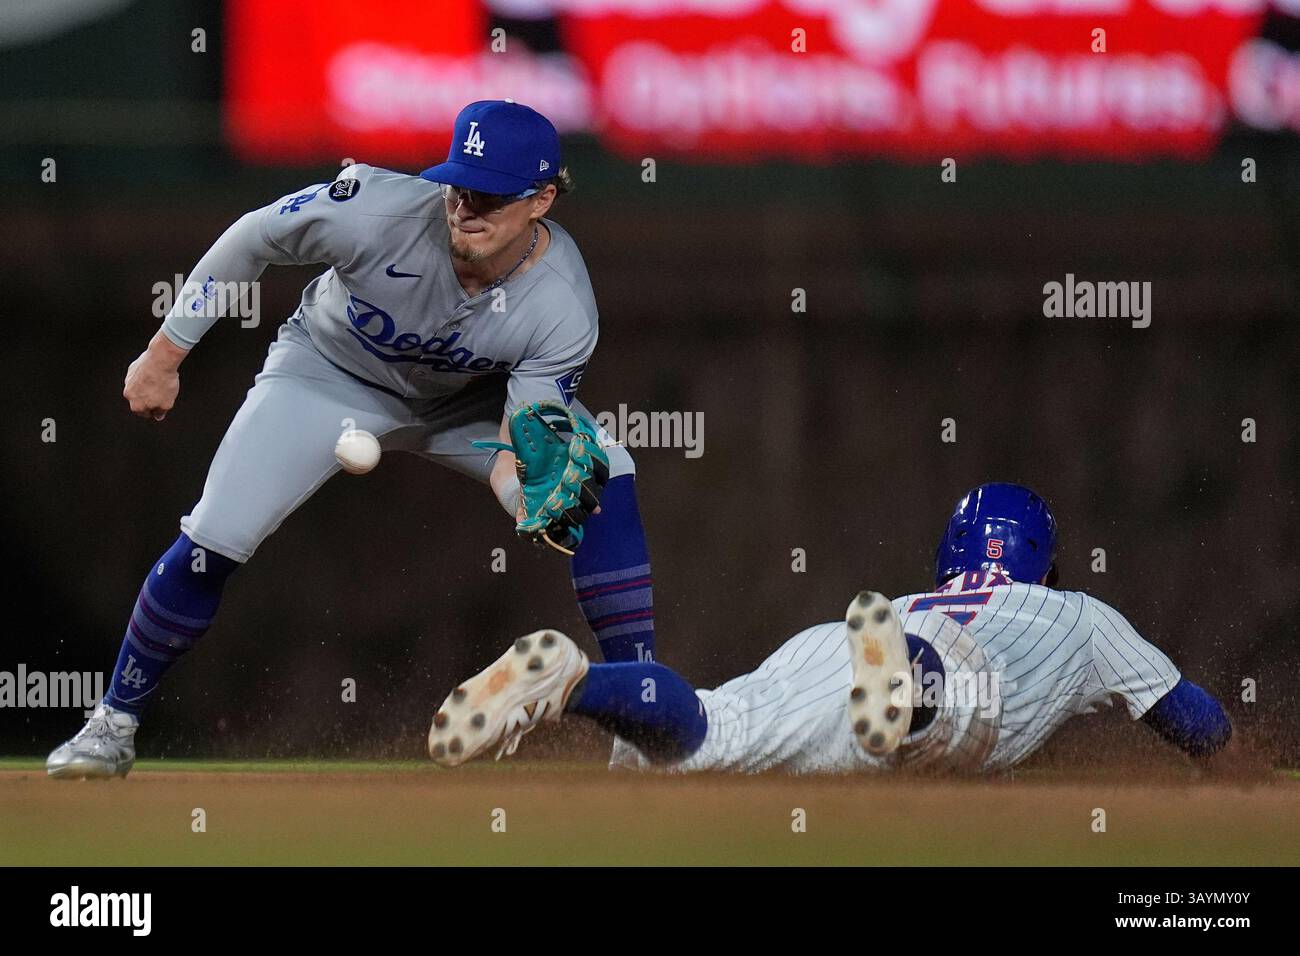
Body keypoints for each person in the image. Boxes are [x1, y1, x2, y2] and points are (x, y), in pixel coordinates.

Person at [47, 100, 656, 779]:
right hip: (326, 376)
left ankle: (641, 714)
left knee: (609, 467)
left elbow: (520, 447)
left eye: (493, 196)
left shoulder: (561, 302)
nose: (467, 207)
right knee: (215, 535)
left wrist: (529, 500)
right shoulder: (375, 206)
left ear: (542, 199)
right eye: (460, 187)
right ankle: (111, 726)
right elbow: (252, 240)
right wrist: (164, 355)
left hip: (463, 404)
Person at [427, 482, 1232, 773]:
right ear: (1045, 562)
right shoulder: (1081, 614)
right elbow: (1191, 720)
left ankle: (572, 684)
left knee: (705, 731)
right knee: (954, 705)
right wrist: (1232, 760)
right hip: (938, 676)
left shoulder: (927, 594)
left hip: (839, 641)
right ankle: (909, 688)